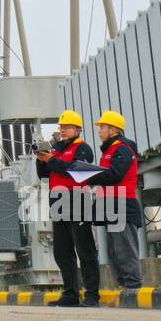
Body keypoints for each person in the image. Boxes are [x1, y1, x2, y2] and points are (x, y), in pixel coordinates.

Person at [35, 110, 99, 307]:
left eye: (67, 127)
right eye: (61, 127)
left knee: (84, 248)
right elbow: (44, 175)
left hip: (78, 198)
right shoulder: (57, 150)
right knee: (62, 251)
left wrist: (52, 160)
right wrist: (41, 159)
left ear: (78, 129)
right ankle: (70, 293)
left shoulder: (83, 149)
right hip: (59, 200)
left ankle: (91, 295)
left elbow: (76, 170)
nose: (62, 130)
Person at [83, 110, 143, 291]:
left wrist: (90, 175)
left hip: (122, 204)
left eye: (102, 127)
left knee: (125, 249)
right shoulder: (109, 150)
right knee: (114, 251)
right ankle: (123, 286)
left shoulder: (123, 149)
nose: (99, 131)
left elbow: (116, 175)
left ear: (114, 129)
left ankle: (133, 286)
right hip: (110, 204)